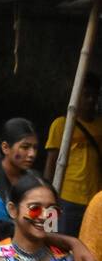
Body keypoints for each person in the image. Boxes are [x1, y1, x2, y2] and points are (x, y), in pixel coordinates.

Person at [44, 72, 102, 237]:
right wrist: (49, 196)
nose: (91, 100)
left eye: (94, 96)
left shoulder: (100, 126)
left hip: (93, 198)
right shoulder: (61, 125)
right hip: (66, 198)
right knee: (59, 244)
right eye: (86, 95)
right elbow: (51, 163)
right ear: (76, 96)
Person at [0, 117, 39, 239]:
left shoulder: (37, 182)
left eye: (35, 148)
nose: (32, 154)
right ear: (5, 147)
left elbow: (50, 225)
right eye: (25, 147)